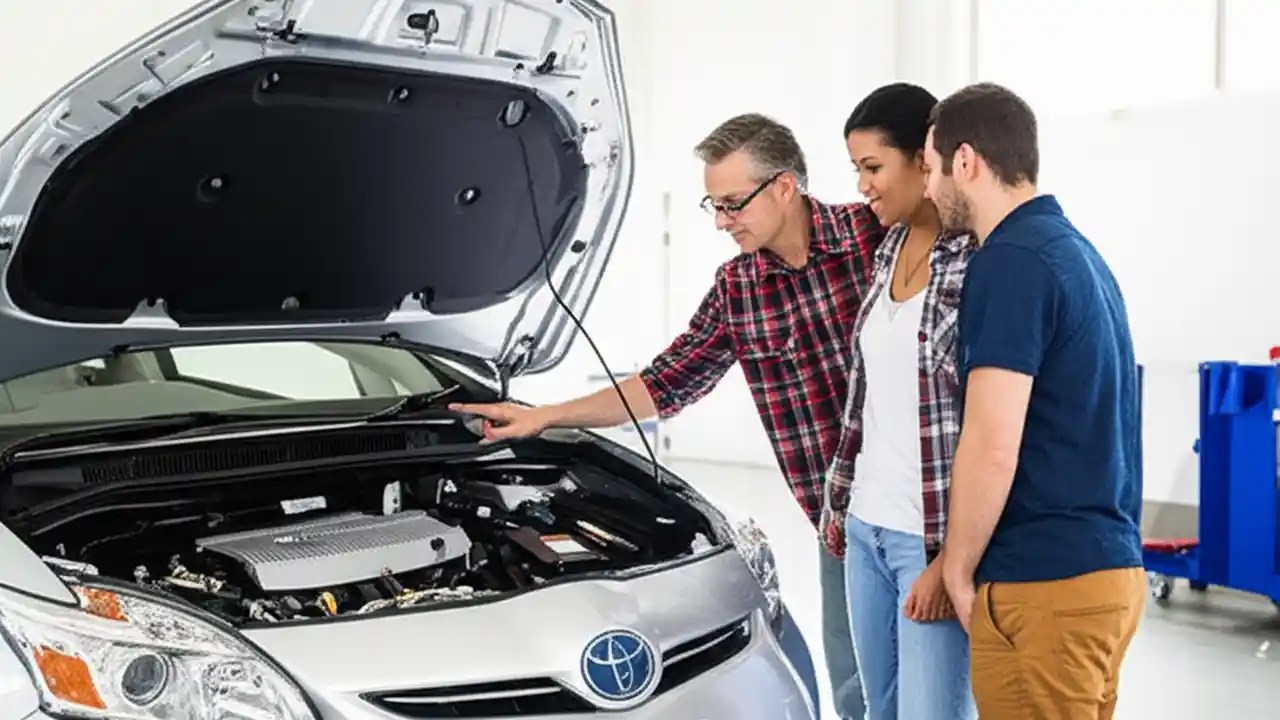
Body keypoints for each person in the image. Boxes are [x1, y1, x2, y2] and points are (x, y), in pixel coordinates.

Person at [450, 113, 884, 719]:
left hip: (915, 515)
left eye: (732, 204)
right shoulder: (738, 287)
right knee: (856, 695)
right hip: (837, 524)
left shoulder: (875, 237)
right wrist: (543, 415)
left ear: (785, 186)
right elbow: (663, 384)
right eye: (714, 206)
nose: (722, 221)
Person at [923, 82, 1145, 720]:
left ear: (966, 161)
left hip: (1043, 586)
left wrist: (956, 568)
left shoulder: (1009, 261)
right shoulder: (1076, 253)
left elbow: (992, 441)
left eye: (932, 169)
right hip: (1106, 577)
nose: (931, 189)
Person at [819, 83, 978, 720]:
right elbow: (867, 399)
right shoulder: (887, 249)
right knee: (874, 711)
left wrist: (951, 557)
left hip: (927, 536)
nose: (863, 186)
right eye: (856, 170)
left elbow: (989, 423)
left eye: (873, 167)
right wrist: (841, 502)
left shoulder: (976, 260)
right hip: (866, 526)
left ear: (923, 159)